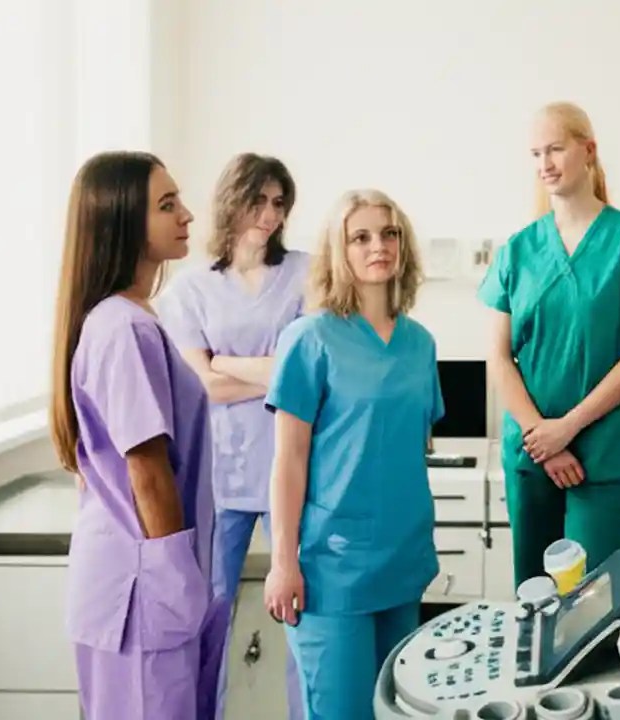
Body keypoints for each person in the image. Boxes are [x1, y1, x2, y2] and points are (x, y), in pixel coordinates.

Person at [50, 151, 225, 720]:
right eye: (167, 205)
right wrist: (178, 582)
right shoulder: (124, 328)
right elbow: (146, 470)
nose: (187, 215)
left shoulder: (126, 319)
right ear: (124, 219)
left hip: (131, 585)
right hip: (143, 592)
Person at [478, 101, 620, 589]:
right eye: (535, 154)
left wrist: (567, 428)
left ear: (588, 150)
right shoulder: (518, 249)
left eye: (555, 149)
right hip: (532, 454)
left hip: (602, 454)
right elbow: (499, 357)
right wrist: (542, 439)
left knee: (591, 600)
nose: (544, 164)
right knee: (534, 595)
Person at [262, 189, 443, 719]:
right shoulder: (309, 339)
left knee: (397, 712)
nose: (377, 246)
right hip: (332, 567)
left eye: (388, 234)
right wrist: (283, 563)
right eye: (360, 237)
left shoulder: (420, 344)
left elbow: (410, 448)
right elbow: (289, 461)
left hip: (402, 559)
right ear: (338, 251)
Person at [157, 153, 308, 718]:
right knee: (209, 617)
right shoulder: (192, 290)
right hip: (219, 474)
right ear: (231, 201)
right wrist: (270, 374)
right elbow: (203, 387)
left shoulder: (307, 274)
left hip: (292, 470)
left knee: (303, 614)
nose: (269, 214)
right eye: (258, 200)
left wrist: (225, 361)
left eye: (278, 203)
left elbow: (307, 374)